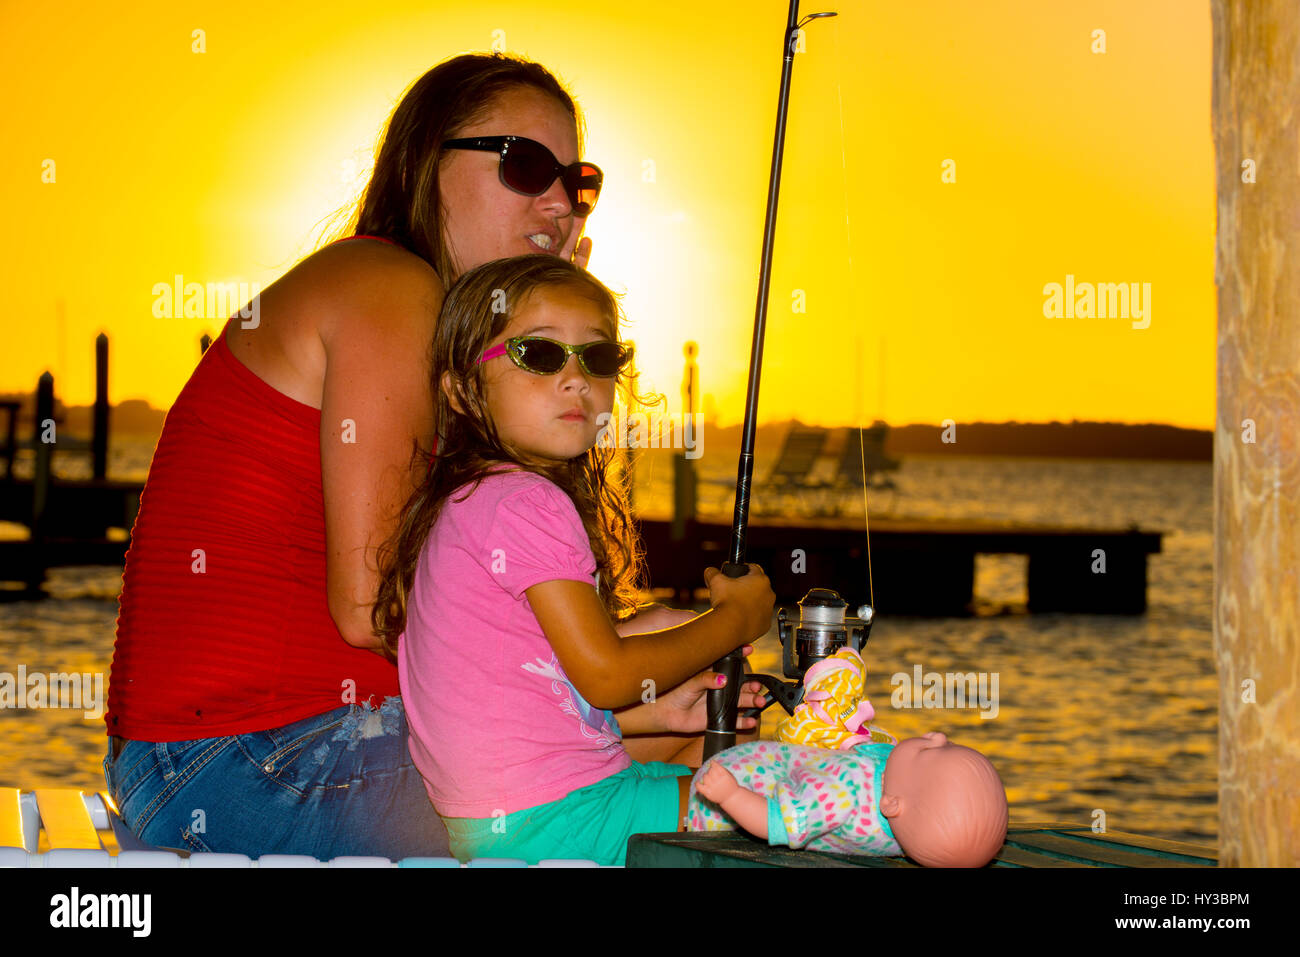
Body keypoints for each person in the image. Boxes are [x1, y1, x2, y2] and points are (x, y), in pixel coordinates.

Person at [103, 52, 621, 859]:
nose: (558, 202)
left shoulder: (452, 348)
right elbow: (371, 603)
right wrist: (611, 666)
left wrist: (547, 328)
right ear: (424, 165)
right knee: (646, 797)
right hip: (255, 757)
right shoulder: (390, 287)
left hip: (231, 756)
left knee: (678, 742)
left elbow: (499, 569)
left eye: (576, 181)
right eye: (524, 165)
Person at [375, 253, 776, 866]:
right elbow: (606, 676)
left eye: (599, 357)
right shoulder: (527, 501)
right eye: (539, 354)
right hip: (562, 816)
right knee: (783, 792)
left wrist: (657, 672)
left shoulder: (470, 497)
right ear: (461, 391)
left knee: (725, 746)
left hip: (505, 821)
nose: (576, 379)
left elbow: (530, 683)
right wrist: (734, 620)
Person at [688, 648, 1009, 866]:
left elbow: (777, 822)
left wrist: (730, 795)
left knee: (661, 795)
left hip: (726, 797)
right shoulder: (906, 819)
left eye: (929, 751)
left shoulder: (841, 797)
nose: (937, 736)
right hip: (758, 770)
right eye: (948, 744)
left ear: (891, 804)